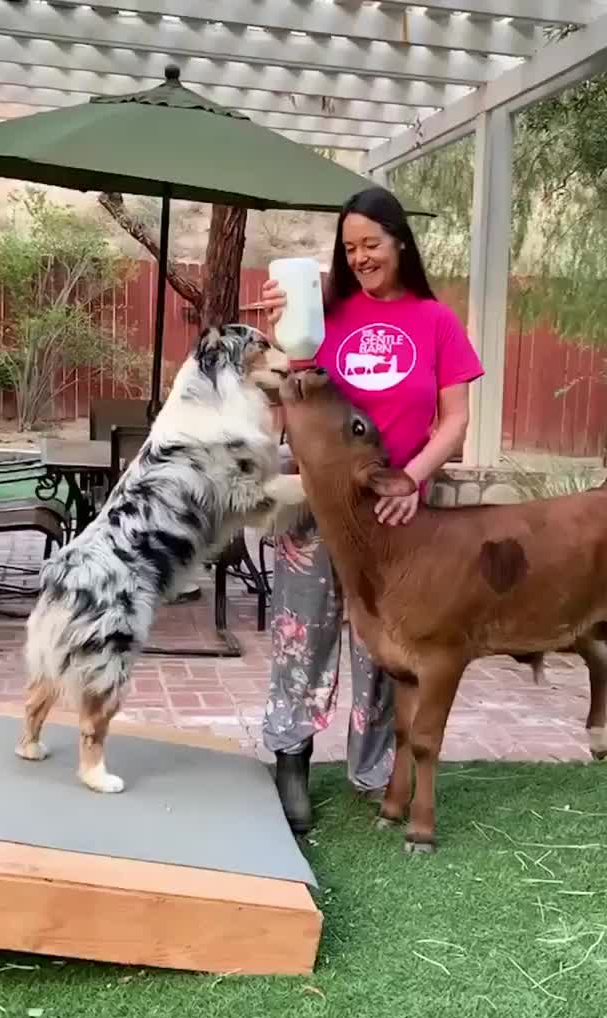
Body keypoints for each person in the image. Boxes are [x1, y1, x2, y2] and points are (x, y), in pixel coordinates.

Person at [259, 186, 484, 834]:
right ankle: (291, 756)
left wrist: (412, 480)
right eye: (350, 247)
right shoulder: (325, 312)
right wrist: (286, 335)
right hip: (319, 504)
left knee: (390, 640)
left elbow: (455, 420)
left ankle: (373, 766)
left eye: (372, 245)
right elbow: (296, 397)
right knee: (303, 628)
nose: (360, 257)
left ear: (401, 242)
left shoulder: (436, 321)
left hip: (395, 507)